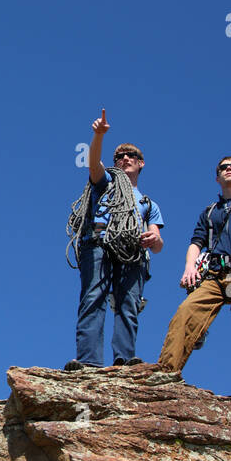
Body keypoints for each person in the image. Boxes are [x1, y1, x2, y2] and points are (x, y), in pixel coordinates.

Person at [156, 155, 231, 402]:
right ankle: (164, 376)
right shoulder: (210, 212)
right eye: (223, 168)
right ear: (217, 178)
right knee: (186, 314)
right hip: (215, 273)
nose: (228, 170)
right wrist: (189, 268)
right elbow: (196, 242)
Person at [66, 109, 164, 369]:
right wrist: (98, 135)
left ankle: (124, 359)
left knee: (128, 303)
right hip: (98, 243)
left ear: (141, 163)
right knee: (93, 297)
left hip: (131, 251)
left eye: (131, 155)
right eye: (119, 156)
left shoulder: (147, 203)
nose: (125, 159)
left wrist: (153, 237)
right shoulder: (106, 181)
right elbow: (94, 163)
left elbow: (159, 243)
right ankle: (89, 360)